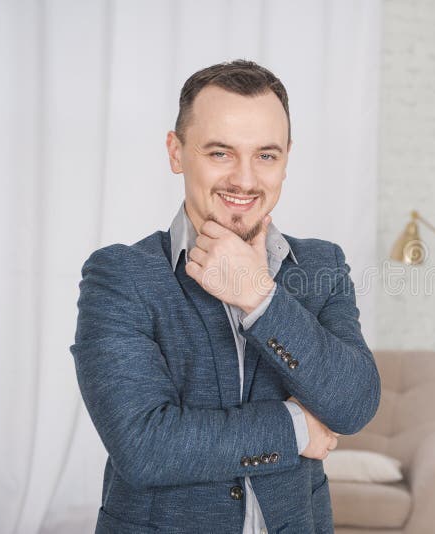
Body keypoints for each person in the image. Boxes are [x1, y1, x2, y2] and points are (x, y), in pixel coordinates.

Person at [69, 59, 381, 534]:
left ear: (287, 158)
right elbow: (144, 446)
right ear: (176, 152)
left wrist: (260, 298)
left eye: (266, 155)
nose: (245, 179)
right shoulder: (119, 276)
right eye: (220, 153)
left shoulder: (321, 266)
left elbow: (354, 403)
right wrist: (297, 426)